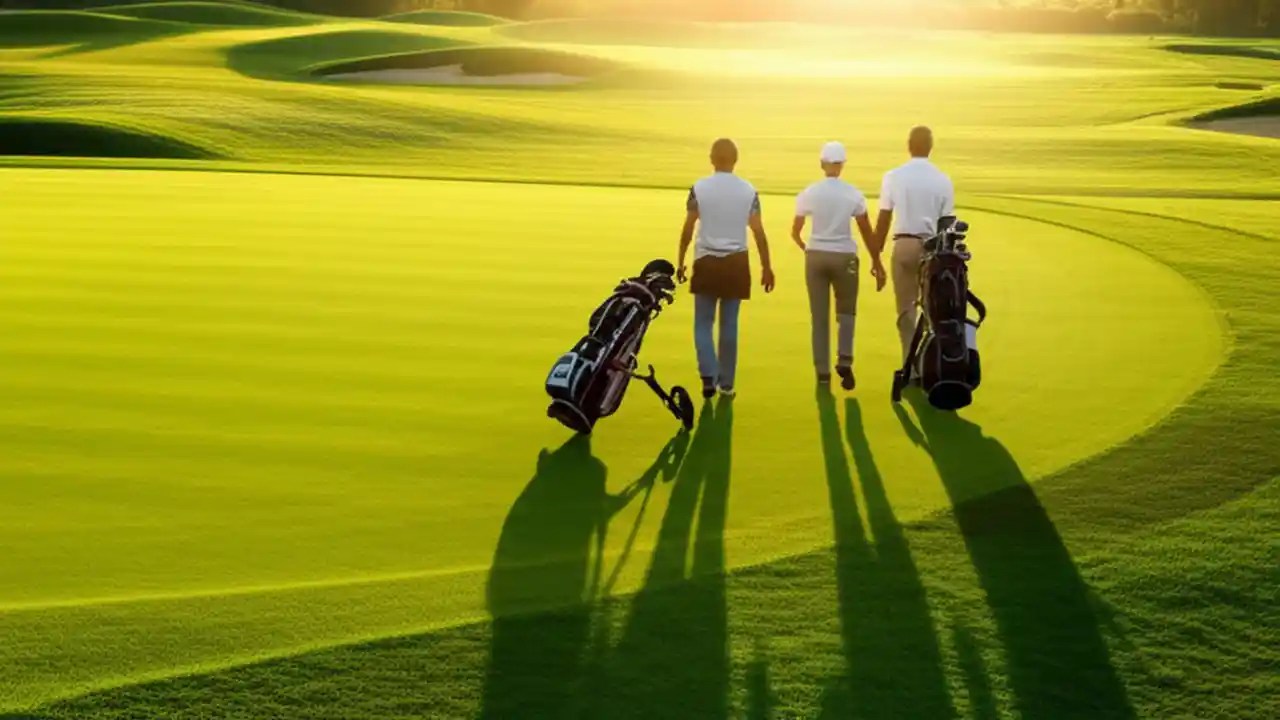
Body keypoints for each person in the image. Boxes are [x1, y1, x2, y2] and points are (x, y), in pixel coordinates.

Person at [678, 138, 775, 399]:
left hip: (706, 261)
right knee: (729, 325)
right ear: (735, 160)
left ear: (712, 159)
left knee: (702, 324)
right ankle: (727, 383)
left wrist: (680, 259)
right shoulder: (748, 190)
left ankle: (708, 374)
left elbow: (688, 227)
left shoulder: (699, 188)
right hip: (736, 262)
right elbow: (758, 232)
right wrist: (767, 266)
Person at [792, 141, 886, 390]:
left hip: (816, 256)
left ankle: (822, 372)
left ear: (822, 164)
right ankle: (844, 359)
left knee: (819, 317)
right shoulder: (853, 194)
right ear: (842, 166)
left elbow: (796, 230)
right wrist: (877, 261)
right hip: (845, 256)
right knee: (846, 312)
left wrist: (806, 247)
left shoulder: (809, 192)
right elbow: (867, 231)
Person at [874, 126, 956, 362]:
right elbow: (947, 223)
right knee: (932, 309)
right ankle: (931, 361)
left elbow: (883, 219)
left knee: (906, 311)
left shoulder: (893, 176)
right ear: (930, 148)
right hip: (933, 249)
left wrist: (876, 257)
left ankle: (910, 364)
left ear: (909, 146)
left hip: (904, 245)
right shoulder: (943, 179)